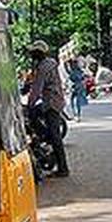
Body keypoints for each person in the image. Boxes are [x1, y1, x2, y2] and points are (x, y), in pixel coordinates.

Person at [27, 41, 69, 177]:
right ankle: (46, 137)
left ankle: (63, 168)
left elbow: (37, 88)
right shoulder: (50, 63)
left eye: (33, 53)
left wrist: (29, 104)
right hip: (56, 100)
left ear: (38, 53)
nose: (31, 55)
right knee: (51, 131)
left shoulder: (43, 67)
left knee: (54, 136)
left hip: (51, 102)